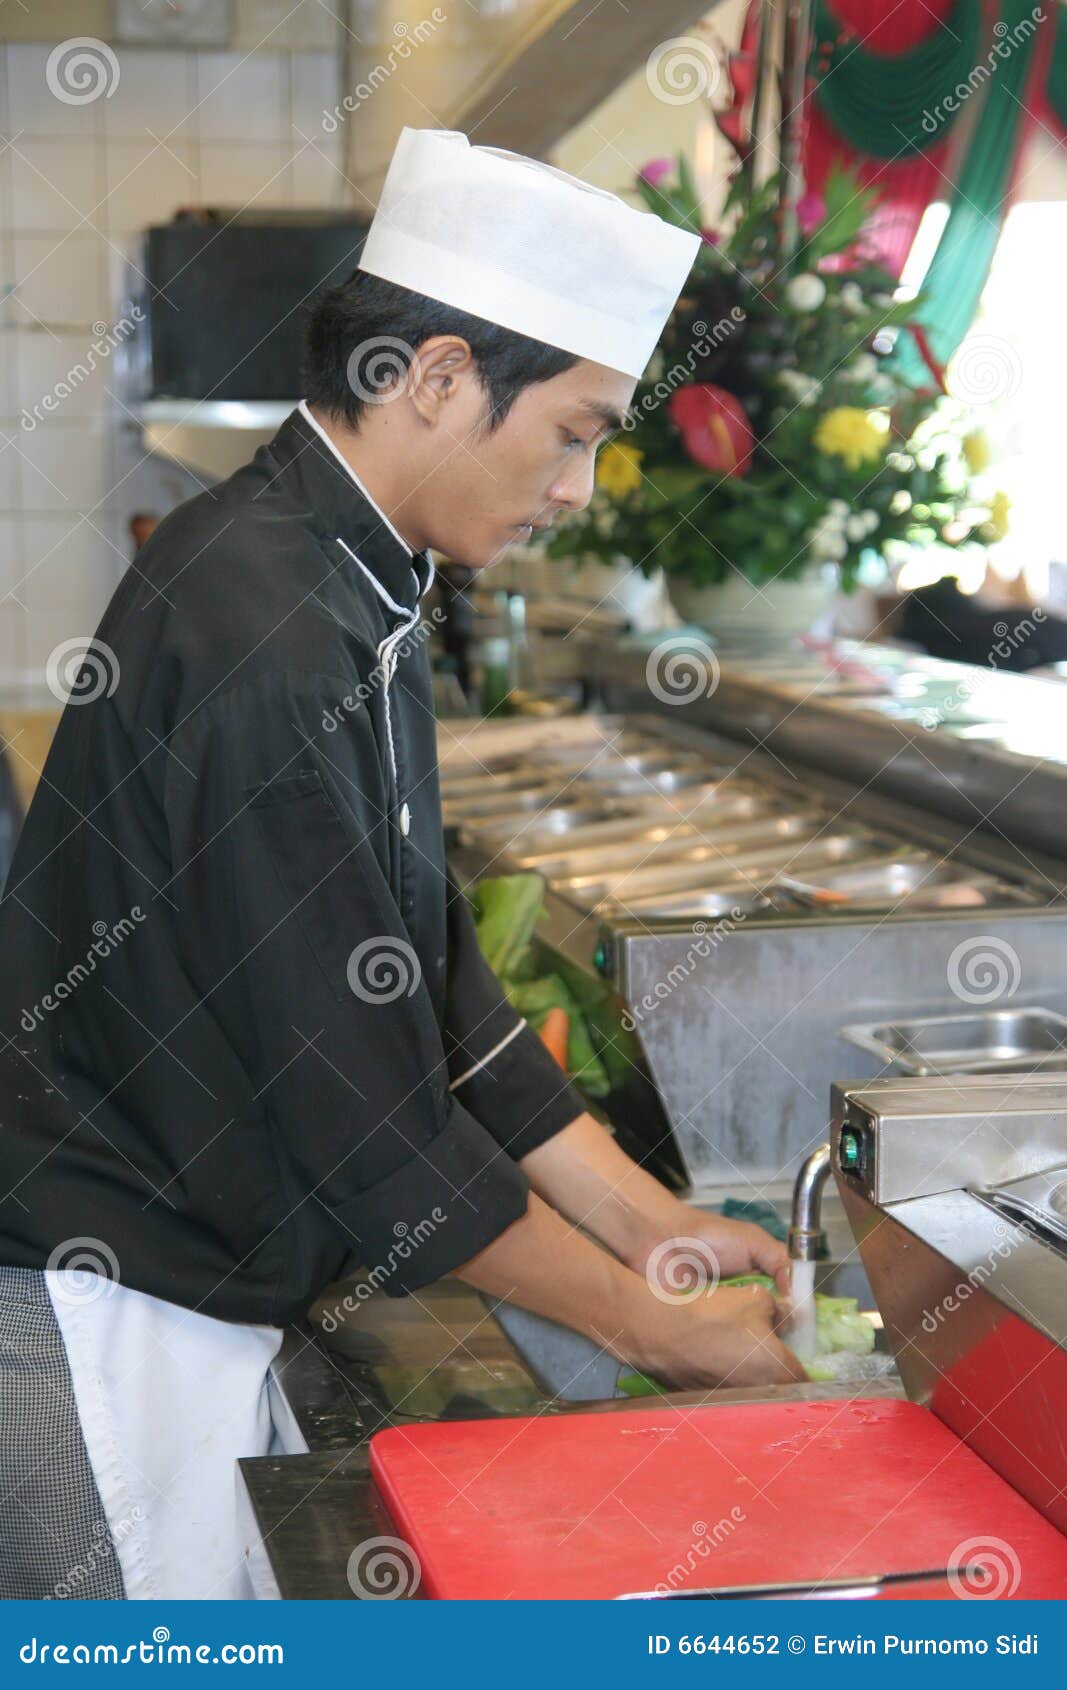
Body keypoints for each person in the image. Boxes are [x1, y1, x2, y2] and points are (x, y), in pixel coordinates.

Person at [0, 127, 803, 1601]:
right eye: (571, 430)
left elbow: (426, 973)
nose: (578, 486)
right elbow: (372, 1139)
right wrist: (647, 1324)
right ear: (435, 377)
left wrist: (651, 1220)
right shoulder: (271, 635)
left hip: (179, 1275)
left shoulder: (349, 567)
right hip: (103, 1312)